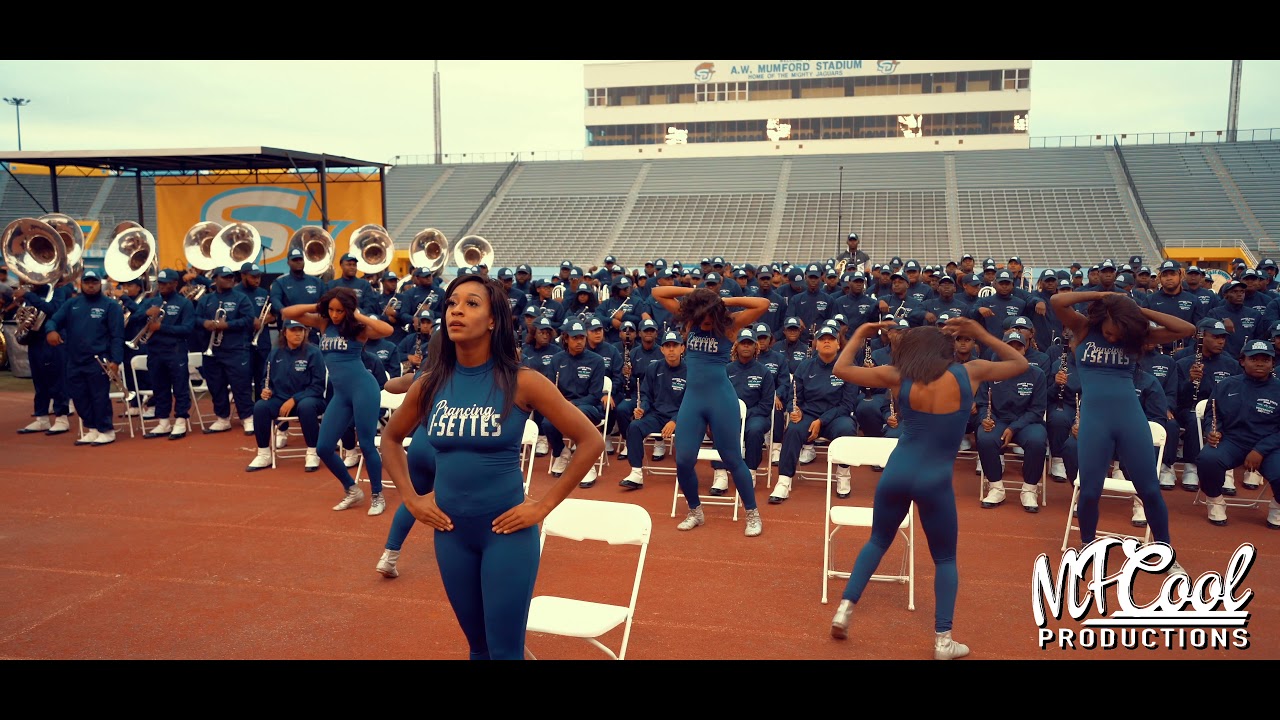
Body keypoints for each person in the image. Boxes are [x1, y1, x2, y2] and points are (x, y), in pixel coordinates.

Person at [379, 273, 602, 660]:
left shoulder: (522, 381)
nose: (456, 312)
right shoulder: (430, 384)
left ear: (494, 319)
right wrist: (412, 501)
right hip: (451, 535)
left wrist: (543, 506)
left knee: (503, 650)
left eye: (470, 304)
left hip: (506, 534)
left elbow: (591, 441)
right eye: (451, 304)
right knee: (478, 648)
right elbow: (390, 439)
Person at [828, 316, 1029, 659]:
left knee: (878, 540)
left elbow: (841, 369)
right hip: (935, 480)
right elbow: (1020, 363)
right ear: (947, 347)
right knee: (945, 558)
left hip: (897, 471)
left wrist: (861, 332)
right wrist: (980, 332)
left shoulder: (898, 376)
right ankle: (943, 641)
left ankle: (845, 609)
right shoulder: (972, 372)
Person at [1050, 290, 1196, 577]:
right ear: (1101, 319)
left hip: (1131, 419)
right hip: (1095, 420)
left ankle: (1165, 554)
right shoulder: (1082, 328)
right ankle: (1086, 546)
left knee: (1150, 490)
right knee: (1090, 492)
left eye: (1119, 334)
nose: (1114, 338)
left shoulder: (1136, 335)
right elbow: (1058, 301)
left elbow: (1186, 329)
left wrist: (1139, 313)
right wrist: (1105, 295)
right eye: (1109, 332)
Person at [647, 284, 770, 536]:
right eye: (700, 315)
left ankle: (752, 514)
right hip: (692, 400)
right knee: (683, 460)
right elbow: (658, 293)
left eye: (708, 316)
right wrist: (696, 293)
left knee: (733, 458)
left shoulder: (729, 324)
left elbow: (762, 304)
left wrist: (722, 300)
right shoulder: (690, 320)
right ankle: (695, 511)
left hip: (721, 400)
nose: (704, 322)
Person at [282, 286, 394, 515]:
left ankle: (377, 495)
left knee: (366, 443)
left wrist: (356, 314)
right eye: (331, 310)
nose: (334, 314)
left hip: (364, 388)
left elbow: (388, 330)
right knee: (323, 448)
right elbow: (288, 312)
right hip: (341, 394)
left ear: (348, 310)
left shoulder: (358, 328)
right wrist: (319, 306)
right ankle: (352, 490)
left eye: (339, 310)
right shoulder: (324, 324)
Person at [1195, 339, 1280, 529]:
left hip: (1269, 446)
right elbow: (1212, 414)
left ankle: (1277, 506)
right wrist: (1212, 431)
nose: (1259, 363)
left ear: (1272, 363)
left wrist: (1260, 450)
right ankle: (1215, 500)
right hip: (1232, 441)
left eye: (1265, 360)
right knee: (1208, 458)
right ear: (1242, 361)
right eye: (1254, 359)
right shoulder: (1227, 385)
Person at [43, 269, 126, 445]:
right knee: (79, 397)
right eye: (87, 282)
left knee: (99, 397)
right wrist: (51, 330)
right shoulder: (72, 304)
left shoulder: (111, 306)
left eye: (94, 282)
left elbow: (117, 336)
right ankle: (92, 428)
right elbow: (53, 320)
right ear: (81, 284)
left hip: (98, 360)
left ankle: (106, 430)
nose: (90, 285)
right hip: (73, 359)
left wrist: (116, 360)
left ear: (99, 284)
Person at [244, 319, 327, 472]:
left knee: (306, 406)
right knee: (260, 407)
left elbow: (318, 386)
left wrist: (294, 399)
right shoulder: (275, 352)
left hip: (309, 399)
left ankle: (312, 452)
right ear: (284, 332)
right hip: (280, 400)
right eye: (293, 330)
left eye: (301, 330)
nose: (298, 334)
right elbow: (265, 379)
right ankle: (264, 453)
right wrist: (265, 390)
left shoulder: (314, 352)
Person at [139, 269, 197, 440]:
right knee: (159, 387)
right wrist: (146, 313)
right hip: (154, 351)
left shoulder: (184, 303)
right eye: (160, 283)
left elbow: (187, 329)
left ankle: (180, 421)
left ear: (175, 284)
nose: (162, 286)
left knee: (180, 387)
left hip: (175, 351)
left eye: (166, 283)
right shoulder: (152, 301)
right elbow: (134, 318)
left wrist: (161, 328)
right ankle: (163, 422)